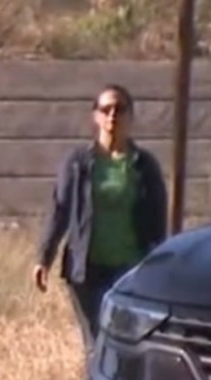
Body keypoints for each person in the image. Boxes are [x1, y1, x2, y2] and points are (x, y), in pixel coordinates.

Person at [33, 84, 169, 354]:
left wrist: (158, 263)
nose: (113, 116)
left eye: (120, 109)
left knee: (129, 343)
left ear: (131, 116)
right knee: (96, 344)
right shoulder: (78, 162)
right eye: (106, 109)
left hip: (131, 269)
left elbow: (158, 217)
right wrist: (43, 258)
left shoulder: (144, 164)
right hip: (87, 270)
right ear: (95, 116)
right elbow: (59, 210)